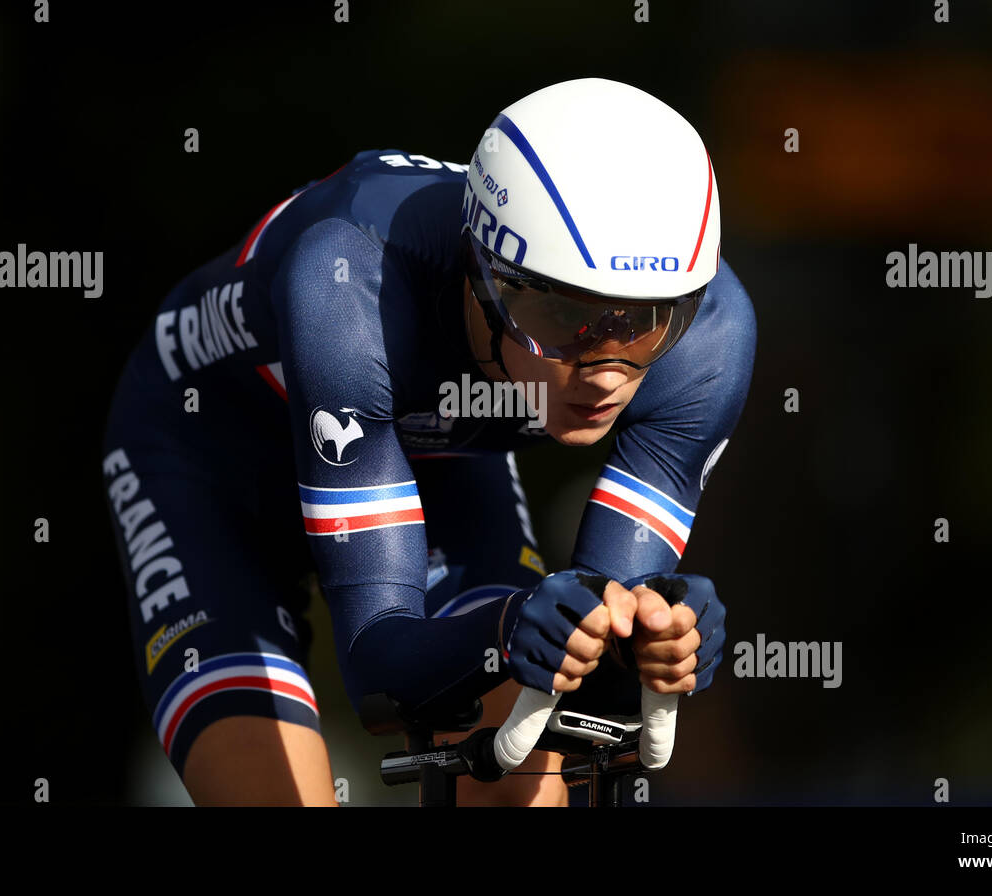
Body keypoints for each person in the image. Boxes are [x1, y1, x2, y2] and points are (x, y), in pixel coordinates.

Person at [101, 78, 756, 806]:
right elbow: (381, 670)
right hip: (211, 460)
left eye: (640, 322)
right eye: (564, 312)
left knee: (527, 791)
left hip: (433, 455)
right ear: (483, 276)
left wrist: (655, 638)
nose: (604, 371)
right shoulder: (350, 285)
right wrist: (507, 629)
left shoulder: (709, 337)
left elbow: (591, 659)